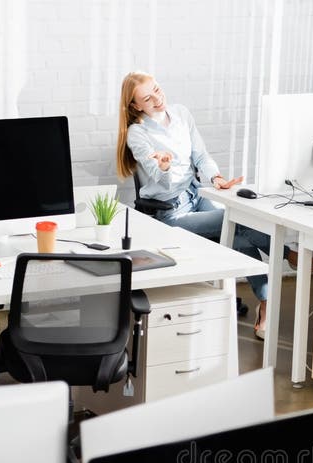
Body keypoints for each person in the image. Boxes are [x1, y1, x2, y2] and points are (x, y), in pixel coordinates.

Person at [117, 71, 282, 339]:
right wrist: (164, 166)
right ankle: (284, 265)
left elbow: (201, 155)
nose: (158, 100)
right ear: (135, 106)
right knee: (235, 225)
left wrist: (216, 178)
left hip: (196, 195)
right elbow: (163, 181)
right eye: (148, 99)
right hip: (169, 212)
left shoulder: (180, 113)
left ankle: (267, 298)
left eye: (157, 90)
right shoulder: (137, 134)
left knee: (238, 224)